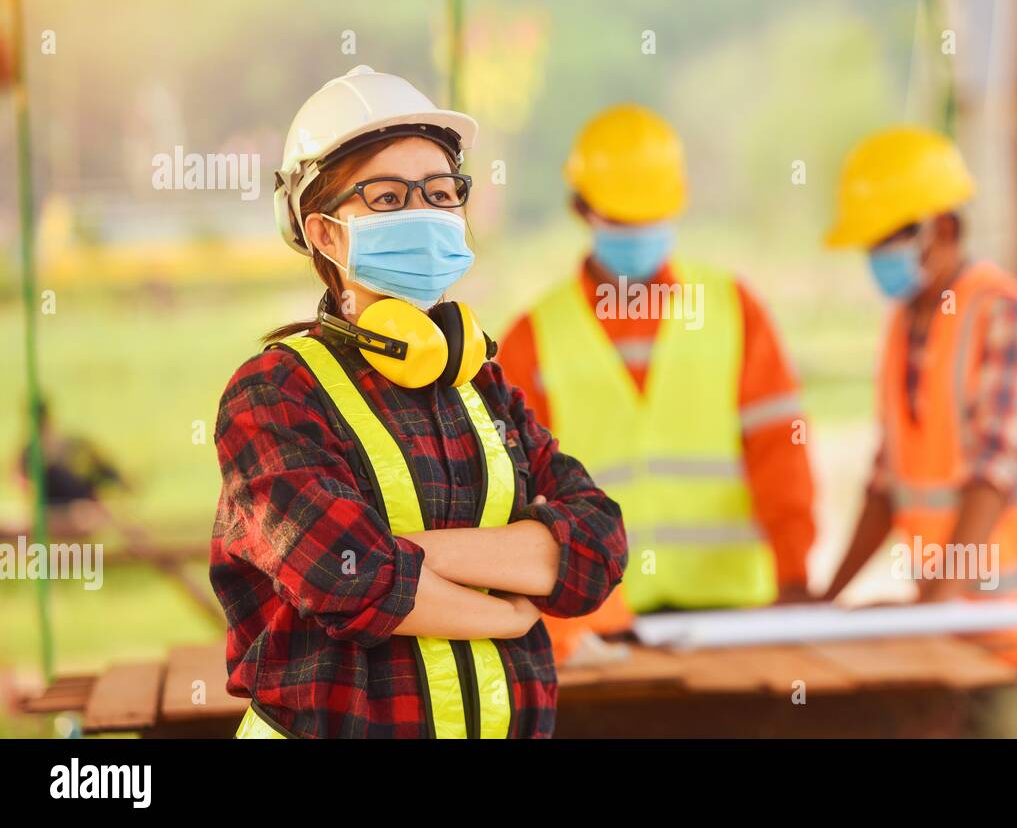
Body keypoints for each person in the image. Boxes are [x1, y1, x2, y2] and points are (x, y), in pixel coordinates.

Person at [210, 66, 627, 738]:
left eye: (440, 192)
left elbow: (598, 546)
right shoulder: (273, 393)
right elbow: (345, 575)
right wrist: (509, 607)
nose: (424, 212)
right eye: (386, 196)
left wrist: (403, 552)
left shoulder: (481, 384)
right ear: (324, 234)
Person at [820, 126, 1017, 738]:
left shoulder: (1004, 314)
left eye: (888, 240)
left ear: (945, 230)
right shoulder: (903, 327)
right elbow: (887, 483)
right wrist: (829, 601)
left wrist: (937, 599)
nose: (877, 258)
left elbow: (995, 470)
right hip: (959, 609)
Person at [497, 104, 815, 652]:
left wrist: (794, 578)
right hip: (595, 623)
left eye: (653, 216)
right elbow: (509, 492)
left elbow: (779, 451)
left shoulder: (733, 310)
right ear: (581, 208)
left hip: (732, 613)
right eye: (624, 218)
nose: (640, 231)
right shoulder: (533, 337)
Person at [12, 398, 123, 539]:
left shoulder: (68, 444)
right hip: (61, 510)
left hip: (75, 507)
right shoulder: (33, 451)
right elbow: (23, 483)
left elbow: (22, 483)